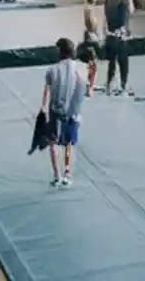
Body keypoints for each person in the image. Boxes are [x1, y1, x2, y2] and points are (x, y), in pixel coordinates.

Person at [41, 37, 86, 187]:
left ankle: (56, 175)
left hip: (56, 111)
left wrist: (43, 108)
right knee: (68, 142)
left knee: (52, 142)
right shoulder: (80, 68)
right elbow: (84, 88)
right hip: (72, 112)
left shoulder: (52, 70)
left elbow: (47, 90)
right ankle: (67, 172)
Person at [103, 0, 135, 96]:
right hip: (121, 35)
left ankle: (109, 85)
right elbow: (131, 10)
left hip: (110, 34)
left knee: (112, 62)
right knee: (123, 62)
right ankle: (123, 85)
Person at [76, 0, 103, 95]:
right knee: (93, 64)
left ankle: (88, 84)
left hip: (91, 35)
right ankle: (89, 86)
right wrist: (94, 29)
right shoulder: (89, 8)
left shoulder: (89, 7)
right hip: (91, 36)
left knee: (92, 64)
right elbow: (89, 23)